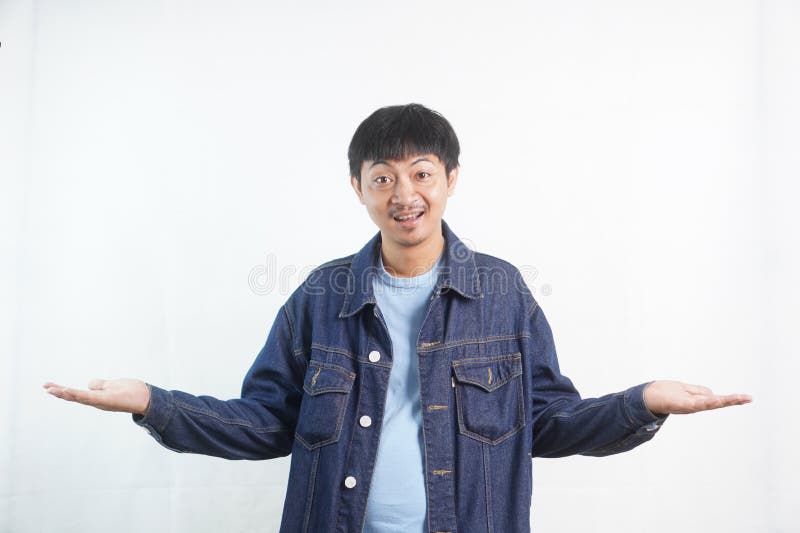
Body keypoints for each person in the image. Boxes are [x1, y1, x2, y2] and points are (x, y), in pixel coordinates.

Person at [44, 103, 752, 533]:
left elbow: (549, 423)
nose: (403, 191)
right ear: (358, 188)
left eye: (421, 171)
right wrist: (152, 403)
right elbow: (266, 422)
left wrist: (642, 403)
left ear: (449, 181)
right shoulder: (322, 297)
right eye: (382, 175)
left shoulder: (502, 293)